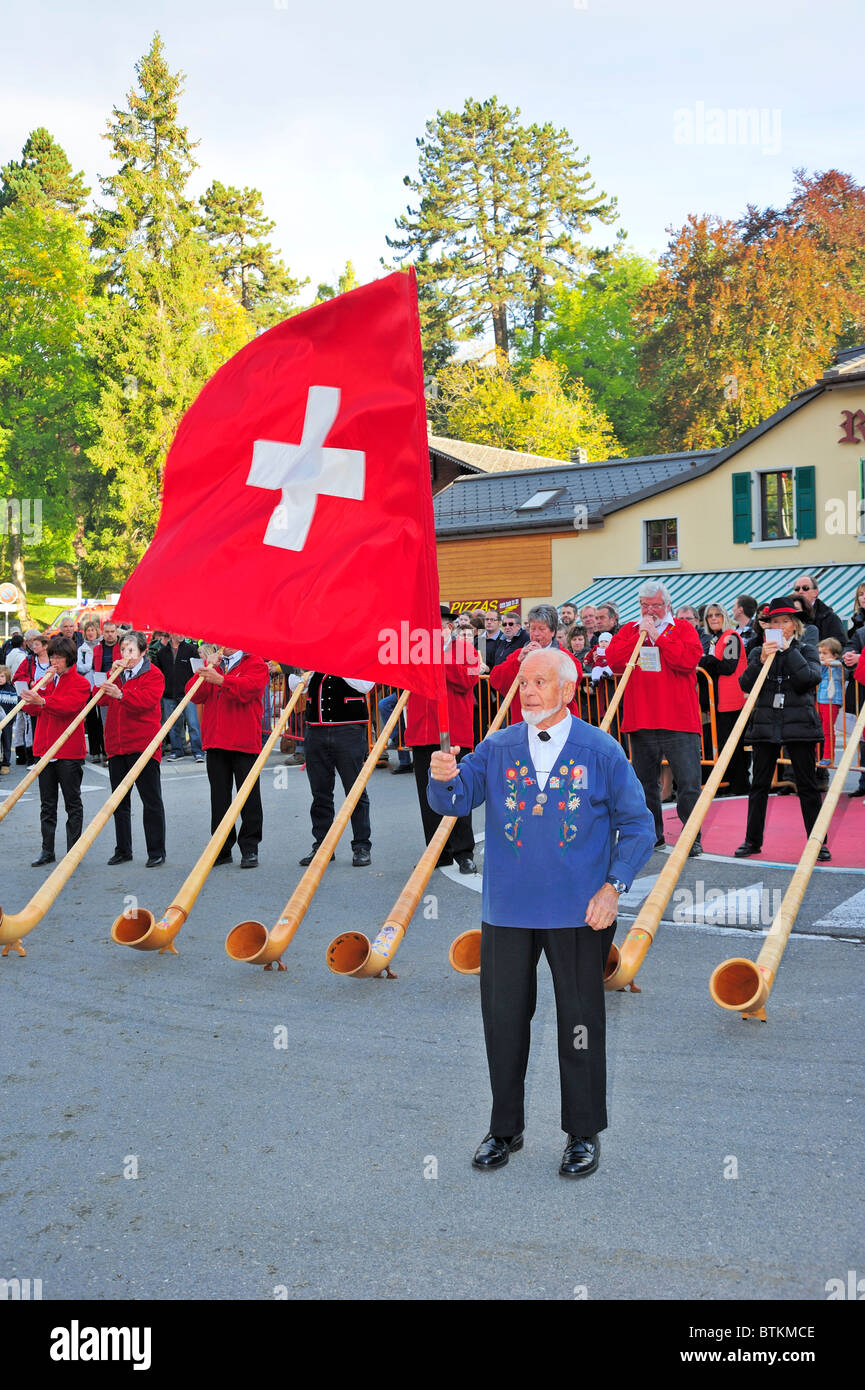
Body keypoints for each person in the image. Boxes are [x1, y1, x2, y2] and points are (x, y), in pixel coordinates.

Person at [428, 648, 655, 1178]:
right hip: (507, 911)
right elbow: (456, 801)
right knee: (503, 1022)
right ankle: (504, 1128)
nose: (527, 691)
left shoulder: (600, 750)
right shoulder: (498, 745)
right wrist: (442, 776)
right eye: (523, 682)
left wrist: (613, 887)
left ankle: (582, 1133)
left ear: (568, 690)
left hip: (580, 913)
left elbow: (640, 826)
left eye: (540, 682)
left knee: (579, 1023)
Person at [605, 580, 704, 855]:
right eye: (644, 605)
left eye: (656, 605)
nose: (650, 611)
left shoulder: (683, 629)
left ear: (667, 605)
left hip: (680, 721)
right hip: (641, 719)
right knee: (644, 784)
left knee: (689, 783)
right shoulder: (630, 630)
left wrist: (659, 638)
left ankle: (691, 837)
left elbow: (687, 660)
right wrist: (641, 637)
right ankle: (652, 835)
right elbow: (613, 661)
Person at [734, 597, 827, 861]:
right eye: (775, 622)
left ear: (795, 625)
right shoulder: (757, 652)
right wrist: (761, 660)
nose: (780, 626)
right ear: (767, 627)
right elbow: (746, 685)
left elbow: (808, 680)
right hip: (766, 724)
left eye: (786, 621)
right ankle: (752, 840)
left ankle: (818, 842)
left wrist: (788, 652)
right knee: (760, 785)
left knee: (807, 785)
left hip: (799, 725)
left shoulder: (806, 649)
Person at [405, 608, 480, 873]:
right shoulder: (414, 651)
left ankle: (463, 851)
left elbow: (467, 680)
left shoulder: (466, 649)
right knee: (428, 793)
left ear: (449, 626)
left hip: (453, 732)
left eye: (438, 625)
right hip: (422, 731)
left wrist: (441, 658)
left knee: (457, 791)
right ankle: (437, 851)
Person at [187, 647, 270, 868]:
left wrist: (222, 680)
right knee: (219, 797)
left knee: (249, 797)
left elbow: (251, 689)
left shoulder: (256, 662)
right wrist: (204, 670)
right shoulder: (215, 663)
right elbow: (194, 694)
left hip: (243, 740)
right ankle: (221, 848)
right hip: (216, 740)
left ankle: (249, 847)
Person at [97, 631, 167, 866]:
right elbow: (101, 700)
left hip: (143, 745)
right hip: (117, 745)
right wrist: (111, 679)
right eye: (123, 650)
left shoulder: (154, 674)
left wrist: (122, 693)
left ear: (143, 651)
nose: (126, 655)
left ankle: (156, 851)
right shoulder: (116, 673)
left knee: (151, 800)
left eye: (131, 650)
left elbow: (146, 702)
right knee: (118, 801)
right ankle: (123, 848)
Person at [21, 636, 92, 866]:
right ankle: (47, 850)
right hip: (45, 748)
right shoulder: (46, 680)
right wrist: (31, 698)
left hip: (69, 751)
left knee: (72, 803)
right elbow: (34, 710)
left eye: (58, 657)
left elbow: (68, 707)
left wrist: (42, 700)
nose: (54, 661)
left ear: (69, 658)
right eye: (51, 656)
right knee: (47, 804)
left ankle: (73, 852)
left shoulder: (80, 682)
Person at [293, 669, 375, 867]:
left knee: (355, 791)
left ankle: (361, 846)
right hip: (316, 730)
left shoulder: (356, 656)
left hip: (349, 730)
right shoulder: (313, 658)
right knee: (320, 793)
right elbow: (295, 685)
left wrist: (337, 664)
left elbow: (365, 685)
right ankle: (323, 846)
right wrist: (301, 672)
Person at [489, 604, 580, 725]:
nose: (536, 634)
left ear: (553, 632)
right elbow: (496, 680)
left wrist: (545, 657)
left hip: (558, 723)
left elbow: (575, 678)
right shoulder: (519, 654)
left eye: (541, 629)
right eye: (532, 629)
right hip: (525, 723)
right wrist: (518, 661)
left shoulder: (565, 656)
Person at [698, 603, 749, 795]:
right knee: (727, 744)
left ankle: (739, 785)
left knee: (732, 745)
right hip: (721, 700)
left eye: (717, 615)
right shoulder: (716, 640)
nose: (713, 618)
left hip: (732, 700)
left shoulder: (732, 638)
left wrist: (705, 661)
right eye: (710, 615)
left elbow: (728, 666)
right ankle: (731, 783)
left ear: (725, 617)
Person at [155, 633, 204, 762]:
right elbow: (158, 675)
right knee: (172, 725)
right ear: (171, 633)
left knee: (193, 723)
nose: (182, 635)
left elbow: (198, 671)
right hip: (168, 695)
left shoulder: (191, 650)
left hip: (188, 695)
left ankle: (198, 752)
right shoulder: (161, 653)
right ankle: (177, 751)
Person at [77, 619, 106, 764]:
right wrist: (91, 665)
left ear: (97, 631)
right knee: (92, 720)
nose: (90, 633)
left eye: (92, 630)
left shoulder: (102, 646)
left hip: (101, 685)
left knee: (103, 719)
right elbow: (79, 667)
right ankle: (95, 751)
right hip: (88, 686)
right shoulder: (81, 649)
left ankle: (105, 749)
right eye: (88, 630)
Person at [791, 575, 845, 644]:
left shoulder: (830, 617)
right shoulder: (789, 615)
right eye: (797, 589)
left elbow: (840, 645)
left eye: (805, 588)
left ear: (815, 592)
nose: (800, 591)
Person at [816, 638, 844, 766]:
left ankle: (828, 756)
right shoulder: (821, 665)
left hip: (831, 700)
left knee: (828, 729)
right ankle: (817, 753)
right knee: (818, 727)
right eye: (820, 653)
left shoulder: (837, 665)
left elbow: (839, 675)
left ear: (835, 655)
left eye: (825, 653)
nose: (821, 656)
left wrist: (832, 663)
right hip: (820, 699)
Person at [0, 665, 17, 772]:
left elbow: (14, 706)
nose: (0, 679)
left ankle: (5, 763)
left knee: (6, 742)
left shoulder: (11, 690)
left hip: (7, 721)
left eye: (2, 676)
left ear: (7, 677)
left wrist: (10, 720)